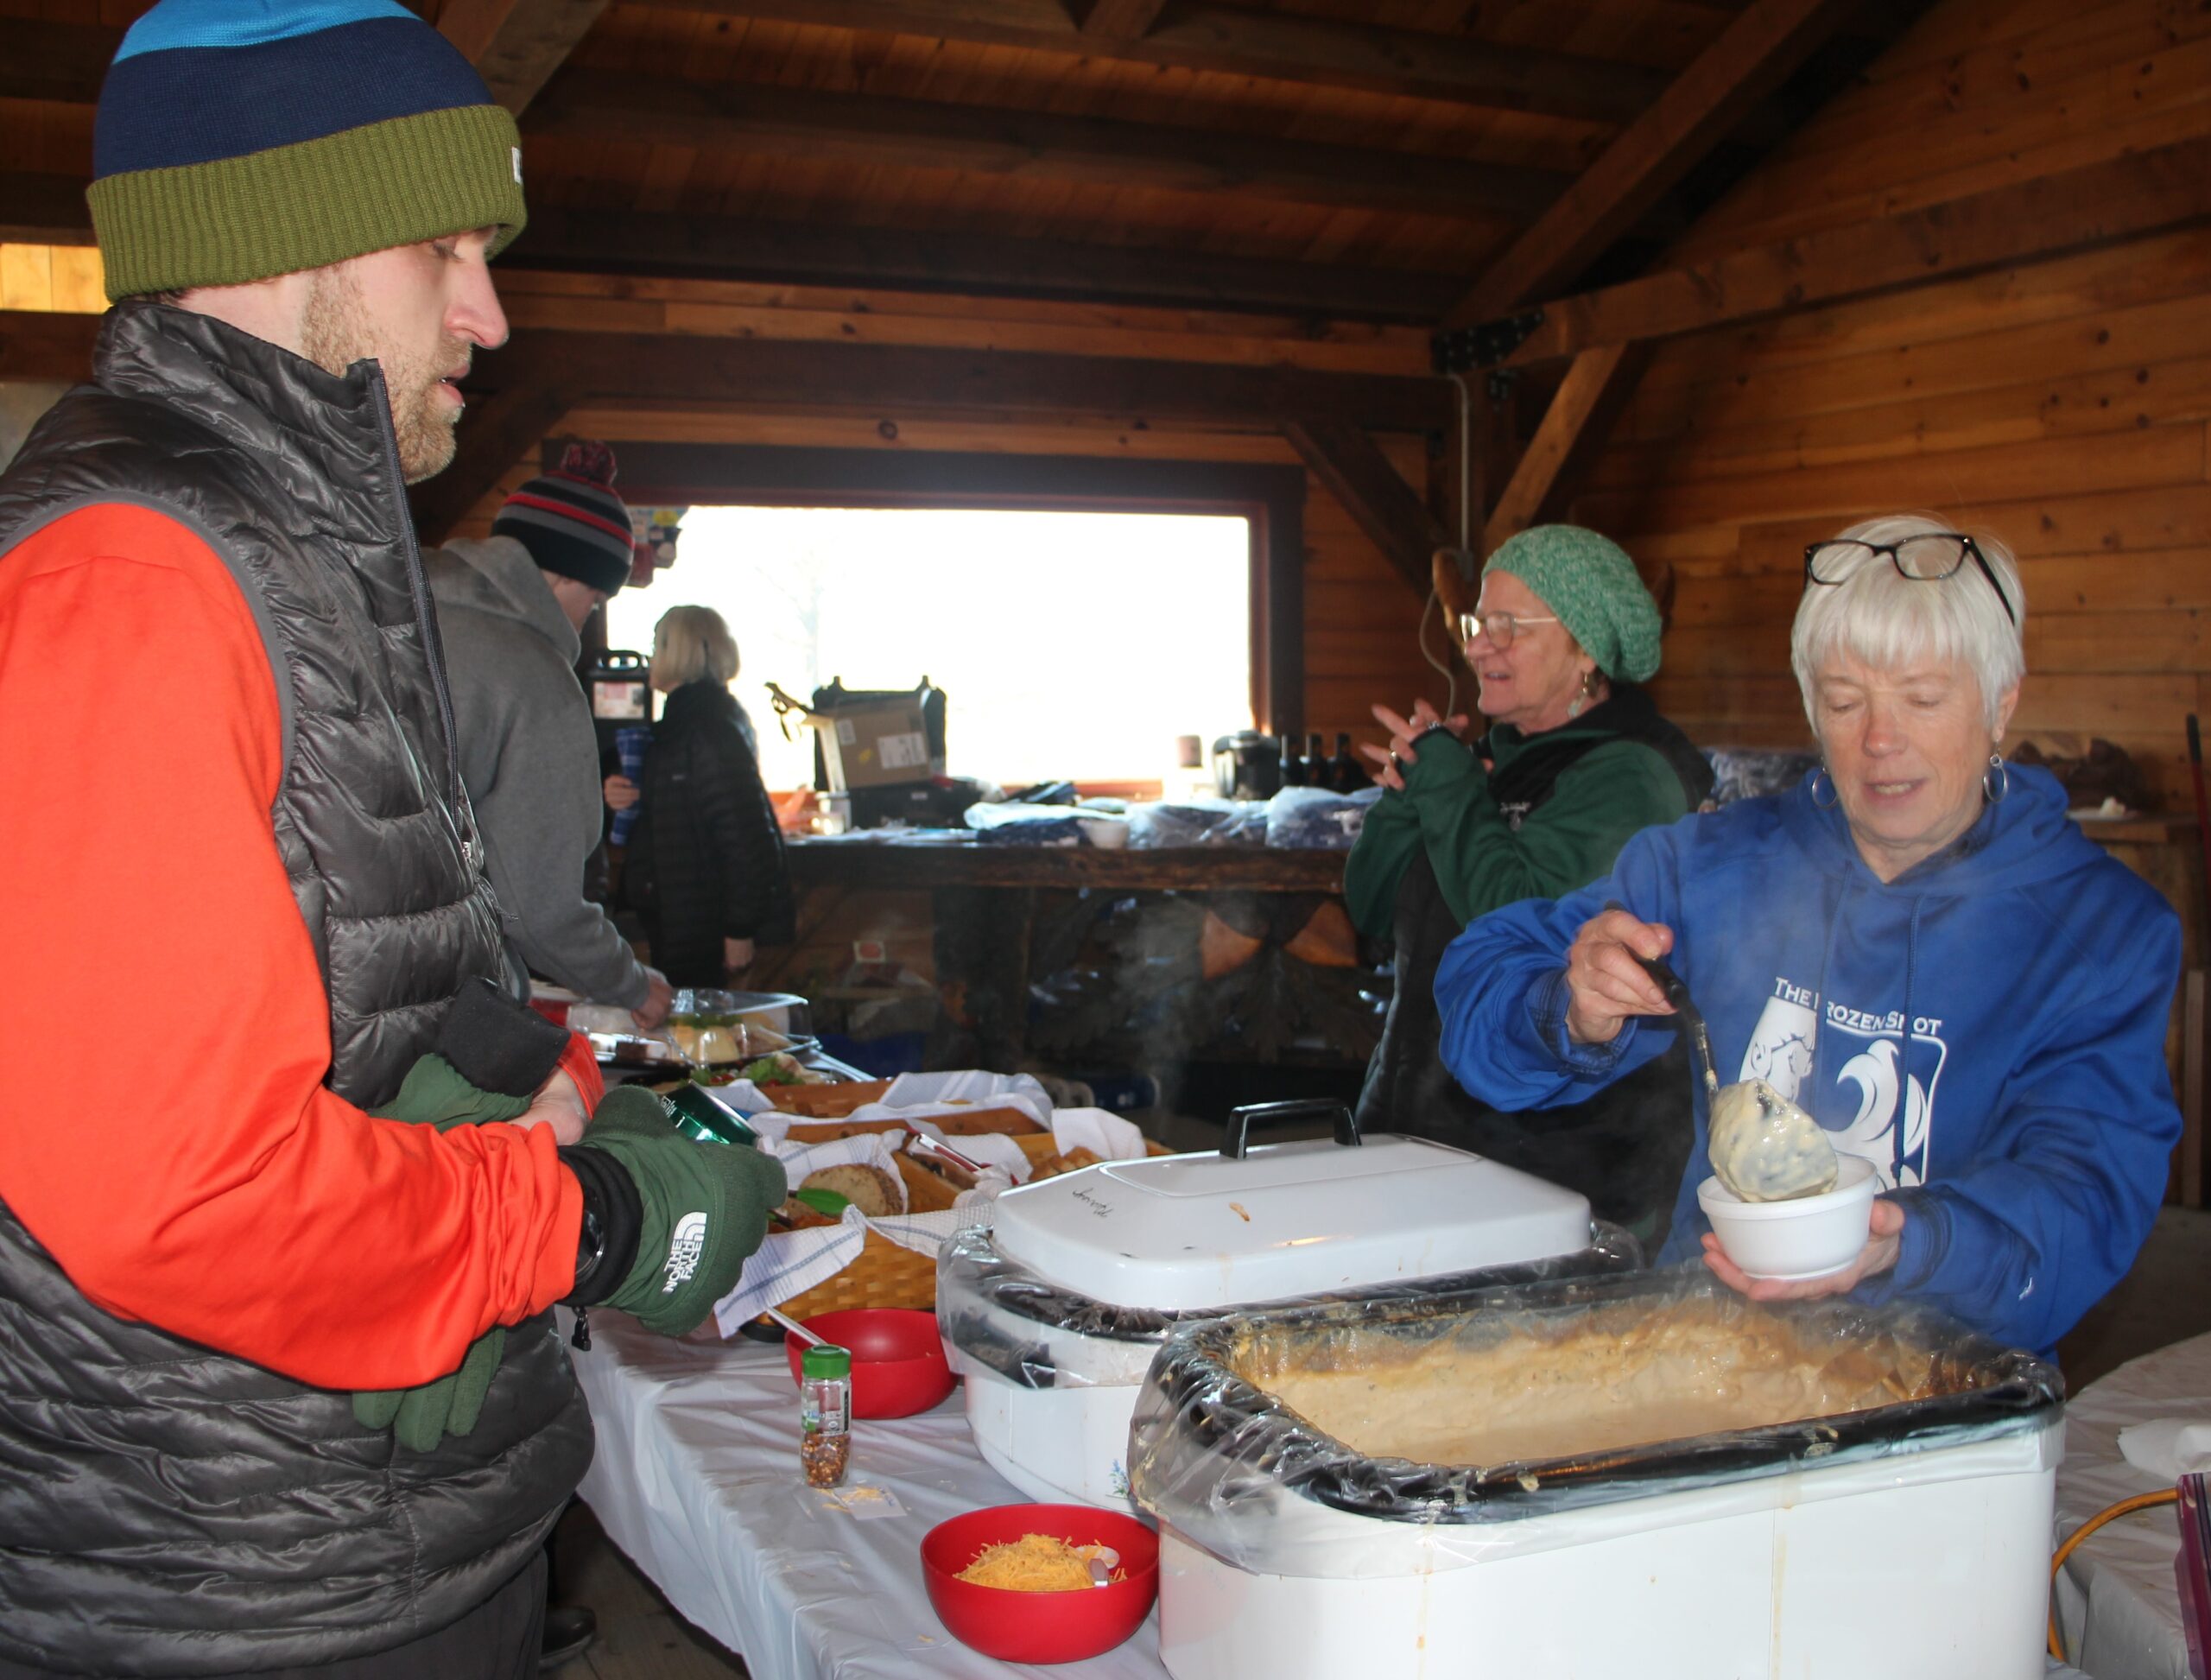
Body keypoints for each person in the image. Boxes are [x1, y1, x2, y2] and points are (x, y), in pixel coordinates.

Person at [0, 3, 782, 1673]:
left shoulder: (292, 553)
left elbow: (324, 981)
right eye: (451, 247)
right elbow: (174, 1191)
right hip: (241, 1576)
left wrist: (503, 1076)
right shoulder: (136, 578)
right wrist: (587, 1223)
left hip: (355, 1509)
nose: (492, 315)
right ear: (297, 242)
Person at [1434, 514, 2182, 1359]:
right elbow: (1478, 983)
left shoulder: (2097, 931)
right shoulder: (1715, 865)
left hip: (1948, 1382)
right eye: (1843, 699)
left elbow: (2086, 1193)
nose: (1879, 740)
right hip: (1704, 1352)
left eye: (1922, 698)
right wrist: (1566, 1006)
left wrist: (1912, 1240)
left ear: (2001, 702)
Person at [1343, 526, 1712, 1239]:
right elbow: (1368, 907)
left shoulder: (1635, 774)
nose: (1479, 644)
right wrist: (1406, 797)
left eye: (1510, 627)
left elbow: (1517, 923)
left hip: (1555, 1173)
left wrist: (1448, 783)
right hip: (1418, 1132)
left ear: (1585, 650)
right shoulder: (1493, 759)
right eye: (1482, 623)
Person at [428, 441, 675, 1030]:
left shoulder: (400, 608)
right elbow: (538, 906)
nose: (586, 621)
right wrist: (631, 983)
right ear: (565, 574)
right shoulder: (535, 676)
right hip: (439, 996)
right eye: (593, 602)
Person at [611, 605, 795, 987]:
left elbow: (747, 840)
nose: (650, 658)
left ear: (676, 652)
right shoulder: (686, 727)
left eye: (657, 646)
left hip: (704, 929)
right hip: (684, 922)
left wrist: (739, 931)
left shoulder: (706, 731)